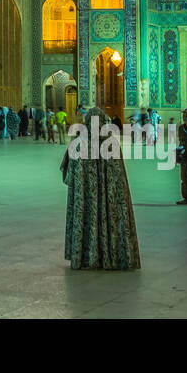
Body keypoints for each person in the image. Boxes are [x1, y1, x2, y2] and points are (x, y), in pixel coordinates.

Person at [60, 108, 140, 270]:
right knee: (110, 217)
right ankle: (112, 254)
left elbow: (69, 174)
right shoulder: (111, 143)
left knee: (86, 218)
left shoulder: (79, 144)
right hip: (109, 199)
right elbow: (119, 178)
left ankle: (85, 256)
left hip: (86, 199)